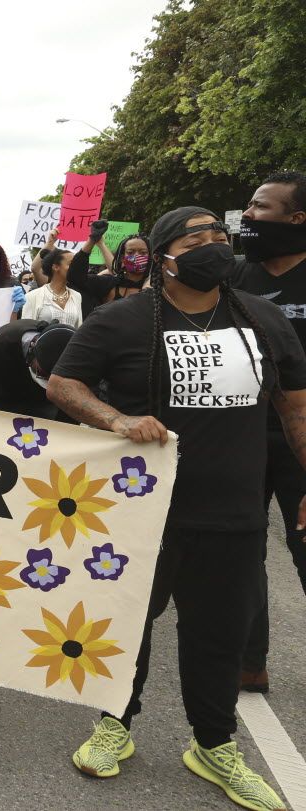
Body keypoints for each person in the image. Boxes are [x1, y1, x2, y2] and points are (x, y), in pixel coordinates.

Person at [47, 206, 306, 811]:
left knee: (220, 634)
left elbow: (296, 409)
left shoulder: (263, 318)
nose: (212, 245)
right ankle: (115, 725)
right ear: (163, 256)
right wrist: (117, 419)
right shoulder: (121, 319)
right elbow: (63, 384)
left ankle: (214, 745)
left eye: (218, 235)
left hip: (234, 512)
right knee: (128, 624)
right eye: (195, 239)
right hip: (141, 511)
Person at [232, 170, 306, 694]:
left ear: (297, 219)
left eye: (261, 207)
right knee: (240, 553)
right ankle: (248, 662)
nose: (248, 216)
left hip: (301, 439)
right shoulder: (234, 278)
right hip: (241, 437)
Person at [0, 320, 75, 420]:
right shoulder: (1, 346)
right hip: (2, 403)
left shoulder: (78, 362)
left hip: (45, 407)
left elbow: (71, 407)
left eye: (52, 379)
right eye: (42, 374)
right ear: (32, 350)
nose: (46, 381)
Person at [64, 222, 151, 318]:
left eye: (143, 253)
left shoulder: (156, 287)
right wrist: (92, 241)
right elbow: (75, 277)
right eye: (131, 252)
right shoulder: (109, 284)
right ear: (122, 258)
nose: (137, 256)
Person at [21, 248, 82, 327]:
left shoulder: (76, 296)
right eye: (71, 264)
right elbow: (26, 329)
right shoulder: (32, 296)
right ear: (56, 267)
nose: (76, 267)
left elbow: (79, 330)